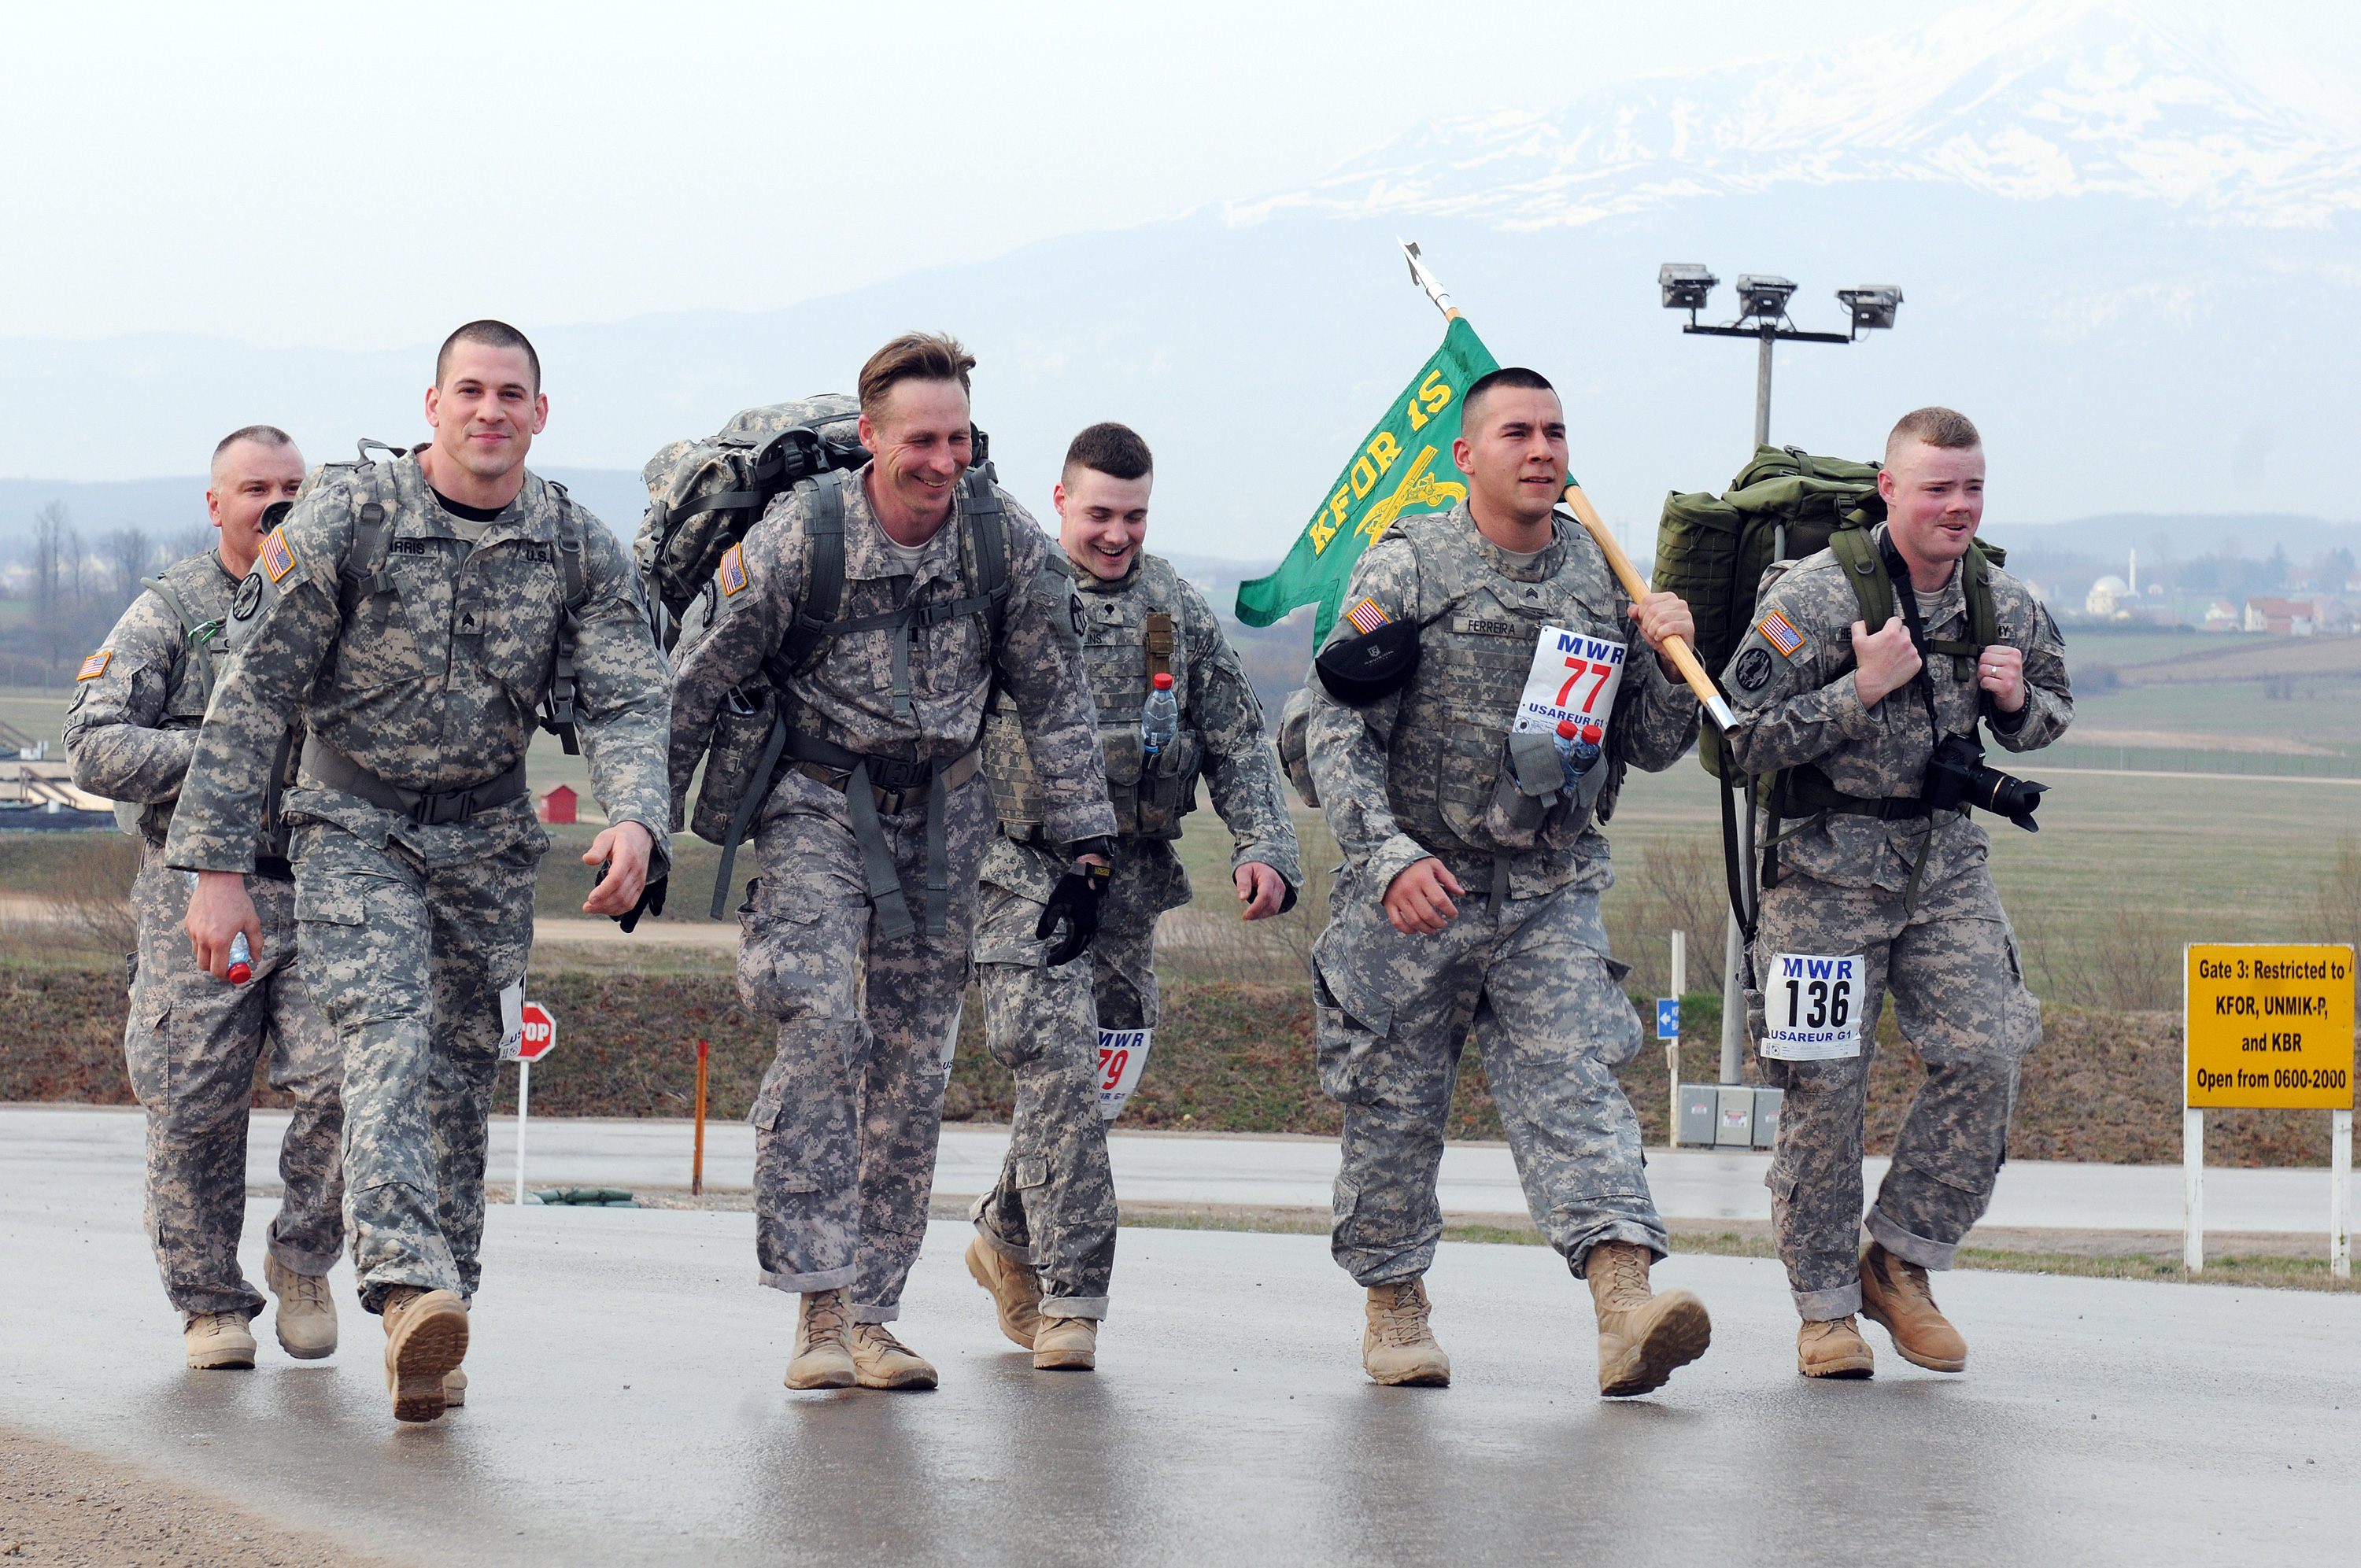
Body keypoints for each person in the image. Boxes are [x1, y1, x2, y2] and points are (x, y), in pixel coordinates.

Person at [170, 323, 674, 1422]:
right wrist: (214, 868)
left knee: (458, 1076)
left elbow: (631, 693)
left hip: (489, 846)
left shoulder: (576, 546)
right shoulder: (352, 516)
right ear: (433, 404)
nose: (489, 412)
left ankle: (439, 1325)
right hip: (353, 824)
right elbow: (251, 692)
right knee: (381, 1035)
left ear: (541, 414)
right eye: (470, 392)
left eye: (511, 395)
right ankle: (407, 1281)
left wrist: (638, 818)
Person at [668, 333, 1114, 1393]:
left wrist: (1088, 847)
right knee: (825, 1030)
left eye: (958, 437)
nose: (941, 459)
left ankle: (876, 1315)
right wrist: (640, 826)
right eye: (921, 439)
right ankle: (818, 1311)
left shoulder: (999, 540)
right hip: (816, 802)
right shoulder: (798, 540)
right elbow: (695, 679)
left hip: (946, 814)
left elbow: (1052, 696)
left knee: (913, 1072)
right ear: (871, 438)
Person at [1302, 367, 1713, 1397]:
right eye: (1518, 432)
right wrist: (1386, 856)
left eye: (1557, 432)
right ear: (1467, 456)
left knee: (1579, 1076)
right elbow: (1335, 728)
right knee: (1395, 1109)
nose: (1542, 450)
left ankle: (1627, 1302)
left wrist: (1667, 655)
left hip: (1548, 883)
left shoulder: (1598, 574)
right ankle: (1394, 1302)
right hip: (1417, 886)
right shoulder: (1410, 570)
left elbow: (1655, 745)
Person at [1720, 405, 2067, 1378]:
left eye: (1974, 488)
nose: (1959, 507)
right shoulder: (1816, 596)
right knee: (1826, 1092)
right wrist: (1855, 691)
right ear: (1890, 490)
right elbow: (1732, 739)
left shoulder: (2002, 601)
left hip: (1942, 867)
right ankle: (1826, 1310)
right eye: (1938, 488)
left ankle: (1901, 1262)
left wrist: (2015, 702)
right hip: (1822, 873)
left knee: (1990, 1053)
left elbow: (2053, 712)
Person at [963, 422, 1301, 1370]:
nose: (1117, 534)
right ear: (1061, 501)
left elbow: (1236, 735)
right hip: (1019, 876)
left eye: (1136, 516)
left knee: (1099, 1083)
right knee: (1059, 1068)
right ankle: (1072, 1301)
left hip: (1129, 891)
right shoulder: (1010, 599)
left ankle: (1003, 1233)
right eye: (1100, 514)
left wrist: (1264, 845)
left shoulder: (1174, 610)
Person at [65, 426, 344, 1373]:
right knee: (195, 1104)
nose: (277, 502)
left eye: (293, 486)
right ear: (216, 504)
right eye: (256, 486)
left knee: (346, 1081)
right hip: (197, 891)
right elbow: (93, 743)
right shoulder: (174, 613)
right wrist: (219, 756)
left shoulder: (341, 596)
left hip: (324, 883)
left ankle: (304, 1258)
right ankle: (210, 1304)